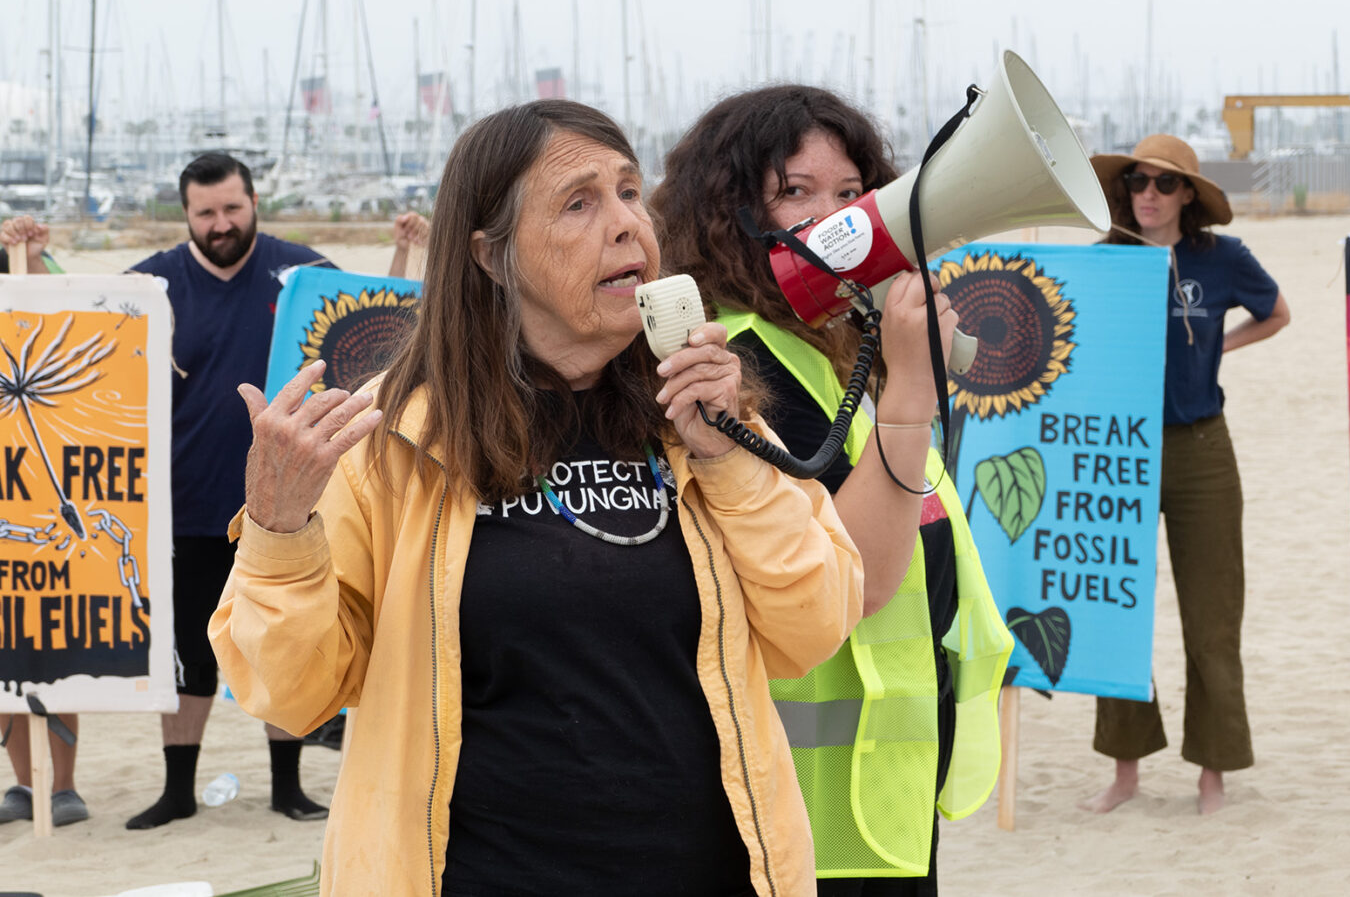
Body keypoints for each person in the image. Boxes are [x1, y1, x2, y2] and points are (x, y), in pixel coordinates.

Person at [209, 100, 863, 896]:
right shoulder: (392, 436)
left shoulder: (704, 415)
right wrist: (280, 531)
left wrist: (729, 457)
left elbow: (817, 626)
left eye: (629, 190)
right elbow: (292, 692)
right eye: (579, 203)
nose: (626, 225)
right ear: (491, 255)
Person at [652, 85, 1012, 893]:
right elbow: (857, 578)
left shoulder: (828, 350)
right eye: (795, 192)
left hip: (886, 779)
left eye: (852, 193)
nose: (832, 215)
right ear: (730, 214)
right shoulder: (741, 369)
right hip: (814, 805)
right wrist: (912, 389)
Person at [123, 152, 339, 829]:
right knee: (188, 654)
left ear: (253, 201)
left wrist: (404, 249)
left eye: (232, 208)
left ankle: (288, 787)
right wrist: (31, 264)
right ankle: (178, 789)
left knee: (281, 642)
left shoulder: (304, 273)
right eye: (206, 213)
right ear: (186, 213)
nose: (221, 223)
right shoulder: (150, 283)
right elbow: (72, 324)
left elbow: (376, 333)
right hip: (184, 505)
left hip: (283, 506)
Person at [1082, 133, 1289, 815]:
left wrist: (1221, 347)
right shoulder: (1104, 262)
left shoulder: (1221, 257)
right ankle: (1126, 771)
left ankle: (1213, 775)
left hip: (1203, 448)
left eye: (1164, 184)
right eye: (1138, 181)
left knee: (1212, 617)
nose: (1148, 194)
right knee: (1118, 611)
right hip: (1119, 451)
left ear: (1187, 196)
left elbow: (1276, 312)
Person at [0, 216, 87, 828]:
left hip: (42, 483)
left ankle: (64, 785)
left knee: (54, 648)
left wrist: (36, 254)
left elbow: (76, 305)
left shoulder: (23, 268)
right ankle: (22, 786)